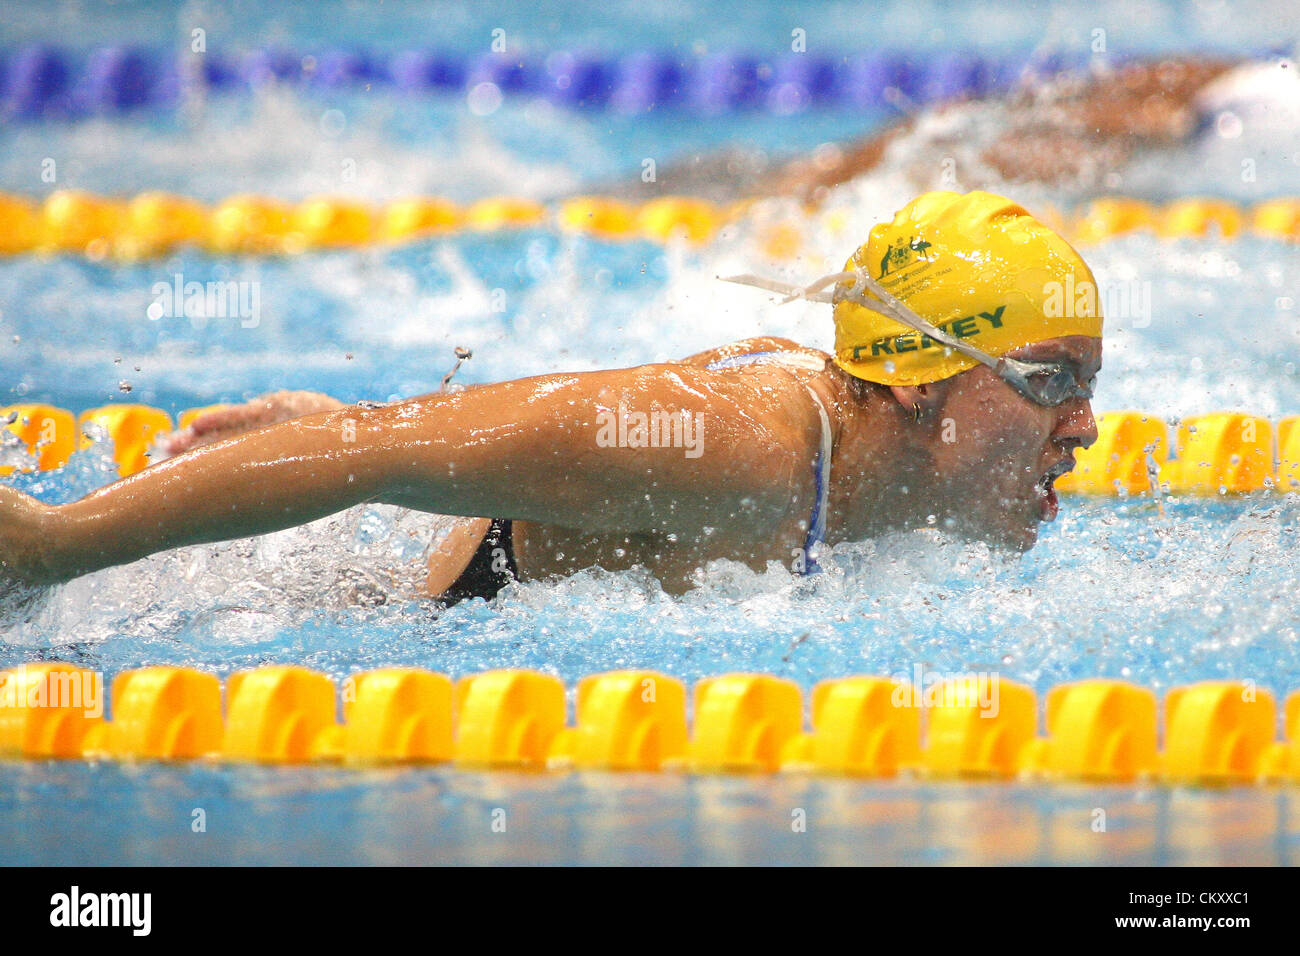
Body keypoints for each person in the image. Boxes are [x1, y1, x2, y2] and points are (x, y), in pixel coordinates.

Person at [0, 190, 1102, 603]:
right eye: (1049, 380)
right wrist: (53, 544)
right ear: (912, 379)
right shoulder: (743, 450)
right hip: (400, 617)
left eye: (1088, 385)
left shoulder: (858, 452)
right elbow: (376, 453)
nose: (1084, 427)